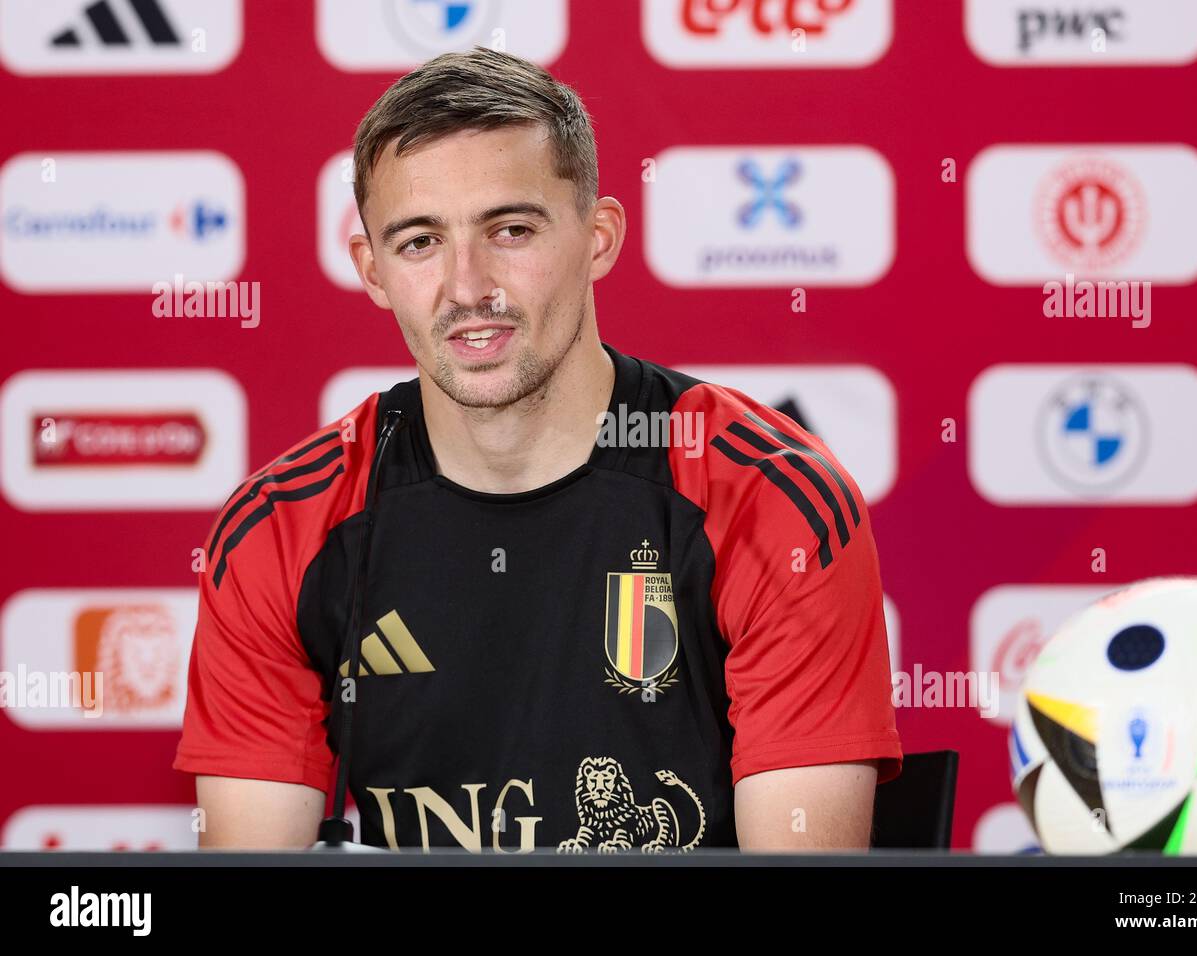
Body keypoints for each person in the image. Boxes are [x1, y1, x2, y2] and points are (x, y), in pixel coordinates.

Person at [173, 45, 901, 852]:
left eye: (510, 229)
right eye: (419, 242)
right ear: (371, 269)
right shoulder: (283, 529)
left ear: (599, 237)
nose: (467, 285)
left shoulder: (767, 500)